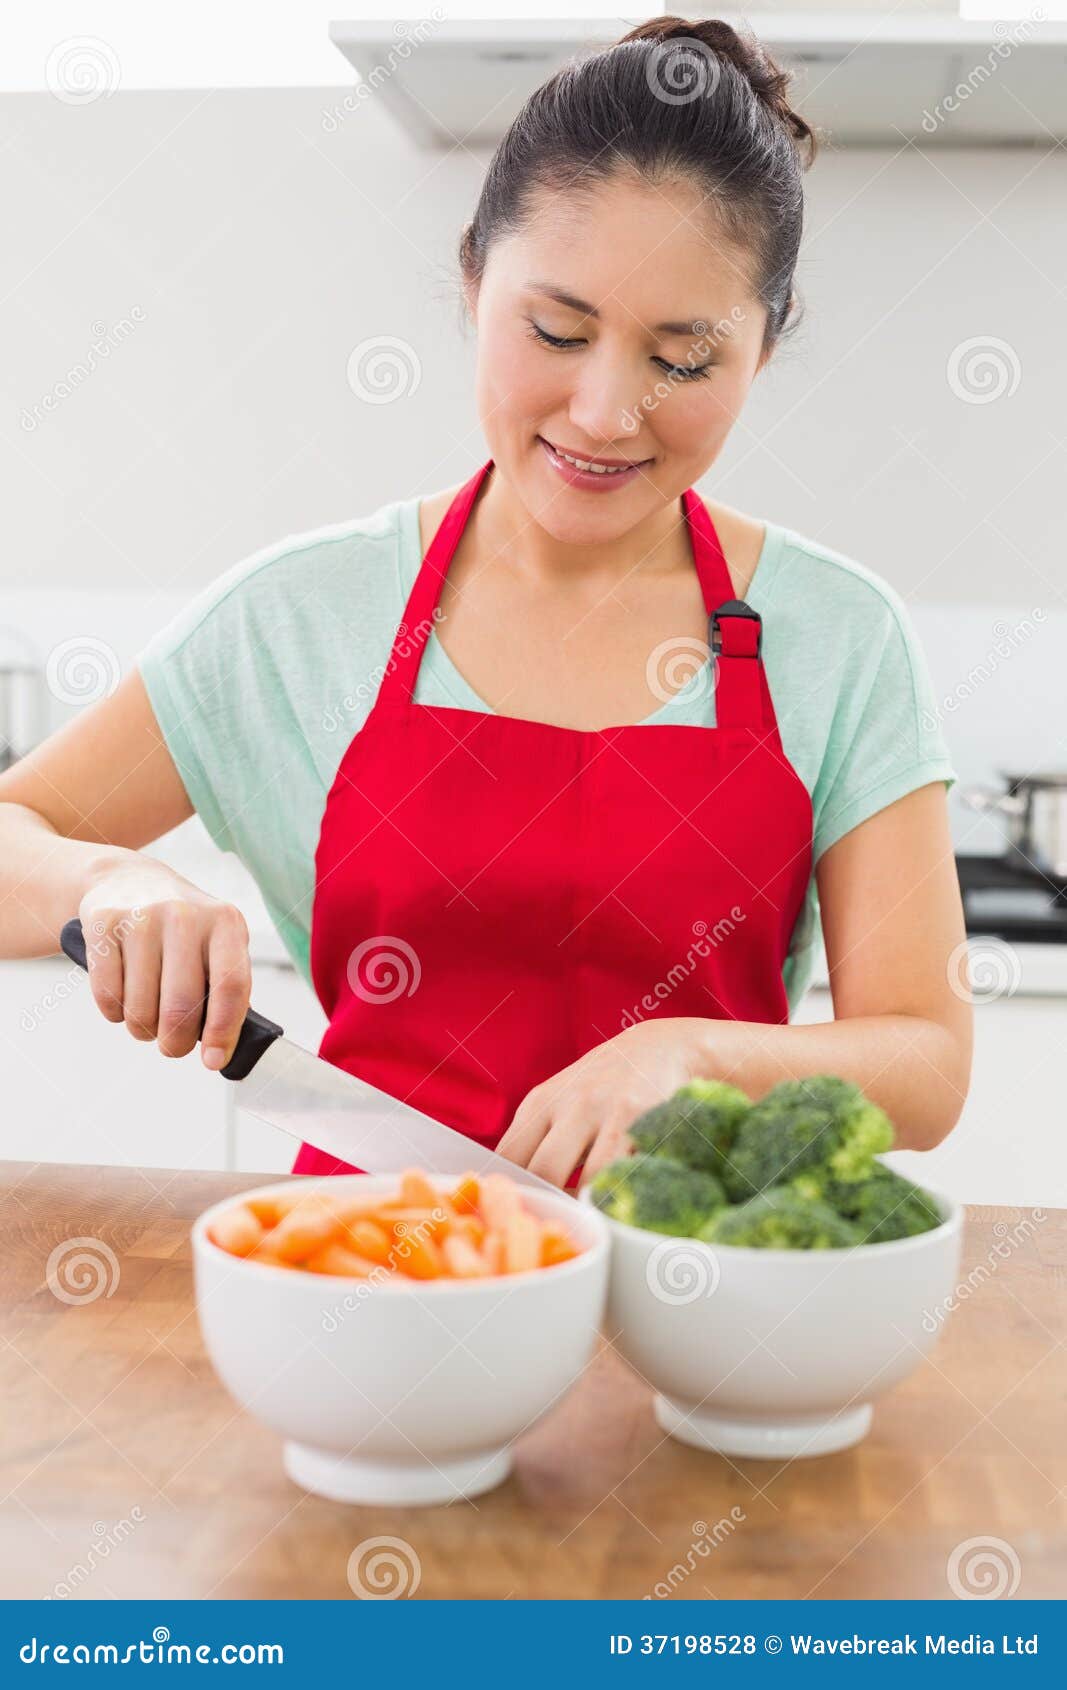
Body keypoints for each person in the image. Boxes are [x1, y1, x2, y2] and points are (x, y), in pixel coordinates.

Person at [0, 17, 972, 1188]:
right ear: (472, 282)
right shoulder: (301, 617)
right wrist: (108, 881)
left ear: (762, 350)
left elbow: (923, 1061)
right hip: (370, 1281)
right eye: (555, 330)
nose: (606, 411)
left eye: (682, 359)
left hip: (701, 1308)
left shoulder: (839, 637)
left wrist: (690, 1053)